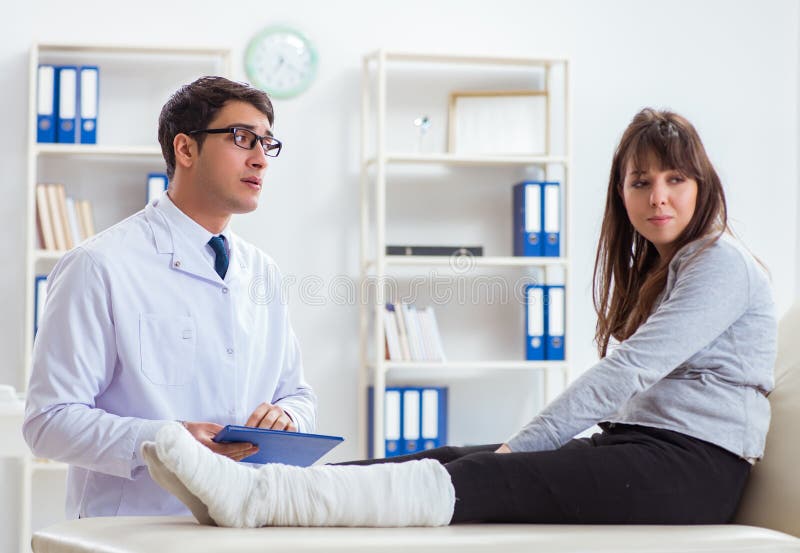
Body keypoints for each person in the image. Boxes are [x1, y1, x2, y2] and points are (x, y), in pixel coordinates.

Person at [142, 107, 776, 528]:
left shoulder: (721, 263)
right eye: (640, 183)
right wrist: (515, 449)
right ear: (621, 195)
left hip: (694, 469)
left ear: (702, 184)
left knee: (487, 477)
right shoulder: (668, 268)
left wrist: (518, 450)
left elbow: (630, 371)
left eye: (674, 180)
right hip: (641, 447)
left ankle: (261, 500)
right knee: (444, 455)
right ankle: (267, 487)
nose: (657, 197)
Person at [23, 76, 317, 519]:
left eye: (267, 143)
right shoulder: (99, 265)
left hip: (245, 520)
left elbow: (296, 394)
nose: (260, 159)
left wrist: (288, 417)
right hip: (132, 531)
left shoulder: (263, 272)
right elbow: (49, 423)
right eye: (242, 138)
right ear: (185, 149)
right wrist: (167, 440)